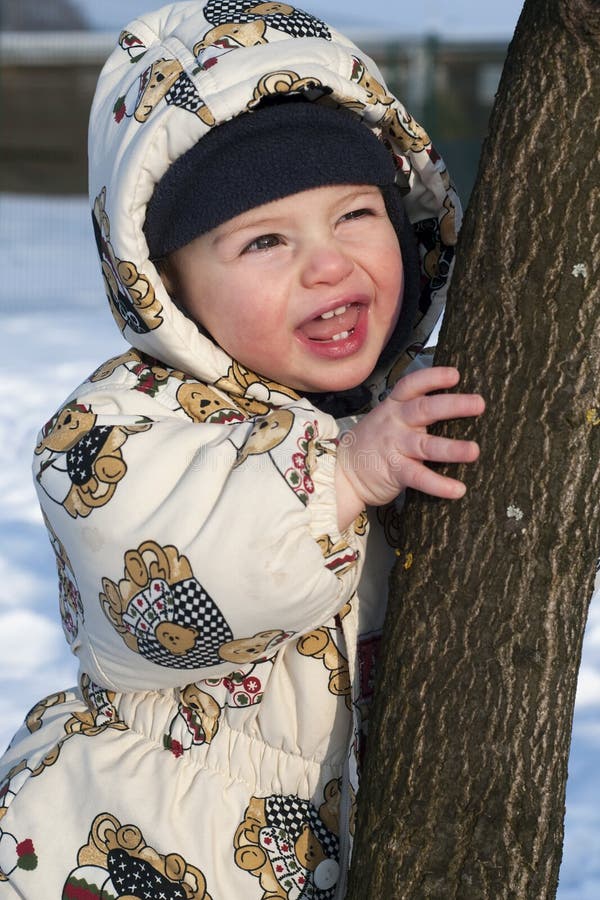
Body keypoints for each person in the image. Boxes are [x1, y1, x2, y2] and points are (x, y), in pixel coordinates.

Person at [0, 2, 484, 896]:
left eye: (355, 214)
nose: (328, 265)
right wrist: (341, 475)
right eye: (265, 240)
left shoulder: (413, 402)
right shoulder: (115, 427)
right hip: (140, 841)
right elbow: (175, 585)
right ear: (167, 283)